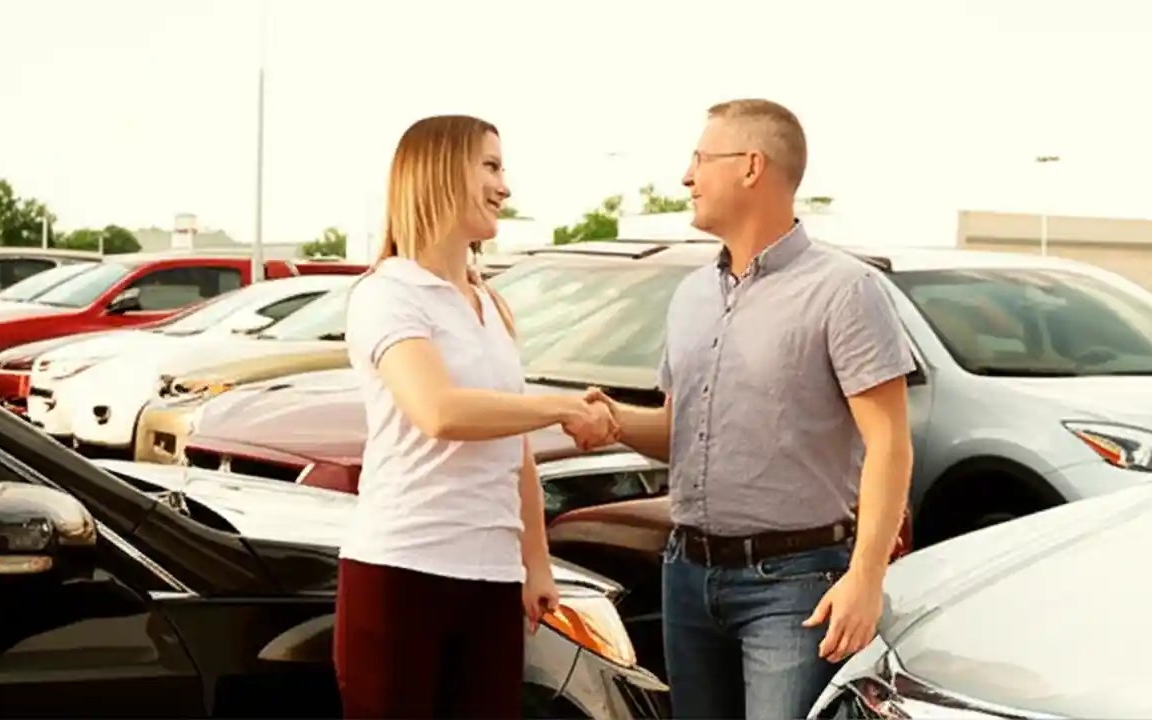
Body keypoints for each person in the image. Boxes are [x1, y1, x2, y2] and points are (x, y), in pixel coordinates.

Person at [582, 99, 915, 718]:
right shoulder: (689, 296)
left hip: (794, 588)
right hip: (685, 575)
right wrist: (611, 421)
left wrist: (866, 576)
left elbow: (890, 442)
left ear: (751, 167)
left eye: (701, 159)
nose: (686, 177)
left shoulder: (844, 290)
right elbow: (681, 432)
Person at [334, 114, 618, 719]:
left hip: (490, 578)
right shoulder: (389, 294)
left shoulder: (489, 302)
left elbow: (515, 453)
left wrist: (535, 564)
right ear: (439, 174)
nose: (505, 187)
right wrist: (563, 406)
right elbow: (438, 411)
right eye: (490, 166)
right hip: (402, 573)